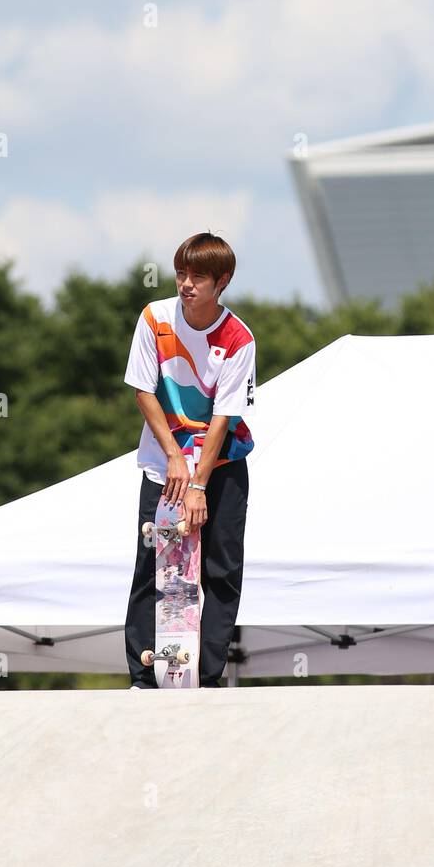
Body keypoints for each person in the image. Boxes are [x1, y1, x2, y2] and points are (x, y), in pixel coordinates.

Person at [123, 233, 255, 688]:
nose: (186, 284)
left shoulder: (238, 338)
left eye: (198, 276)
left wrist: (199, 484)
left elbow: (223, 417)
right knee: (152, 563)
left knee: (221, 570)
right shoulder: (154, 319)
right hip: (165, 464)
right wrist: (175, 460)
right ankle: (143, 675)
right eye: (181, 273)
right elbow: (143, 390)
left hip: (220, 466)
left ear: (222, 282)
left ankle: (208, 675)